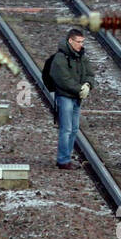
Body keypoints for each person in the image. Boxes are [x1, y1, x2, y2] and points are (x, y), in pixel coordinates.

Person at [47, 27, 96, 171]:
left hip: (76, 98)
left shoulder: (82, 57)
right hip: (65, 97)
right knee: (66, 129)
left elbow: (90, 73)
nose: (81, 44)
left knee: (73, 129)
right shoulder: (60, 58)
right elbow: (62, 79)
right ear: (70, 40)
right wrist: (79, 89)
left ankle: (66, 158)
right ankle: (63, 160)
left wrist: (88, 84)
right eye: (78, 41)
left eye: (82, 41)